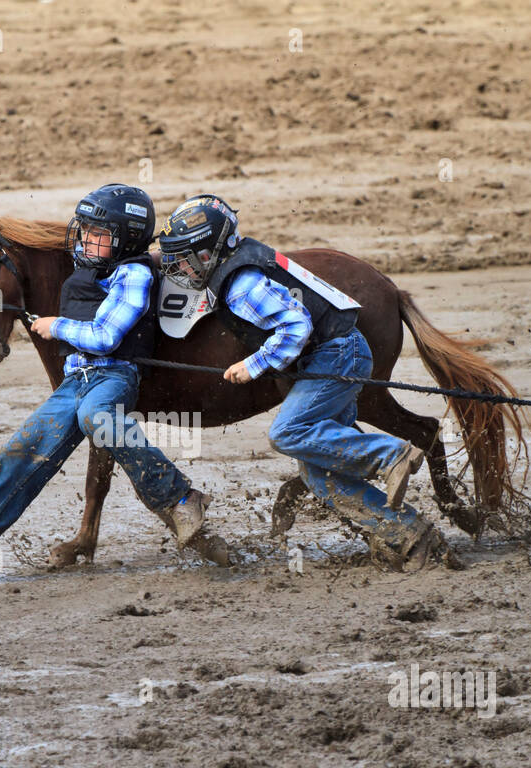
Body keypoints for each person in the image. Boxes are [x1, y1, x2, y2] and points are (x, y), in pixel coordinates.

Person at [0, 184, 216, 583]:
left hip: (112, 375)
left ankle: (182, 498)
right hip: (75, 381)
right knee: (18, 454)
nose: (84, 240)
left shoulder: (132, 275)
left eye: (98, 234)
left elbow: (107, 338)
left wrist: (55, 325)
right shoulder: (89, 269)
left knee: (100, 418)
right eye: (85, 230)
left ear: (126, 239)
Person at [157, 194, 445, 569]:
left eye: (184, 256)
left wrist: (254, 364)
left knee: (286, 433)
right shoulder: (235, 269)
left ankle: (392, 456)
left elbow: (297, 325)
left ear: (210, 253)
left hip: (338, 355)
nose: (177, 266)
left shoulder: (243, 286)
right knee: (318, 474)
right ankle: (413, 534)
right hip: (328, 357)